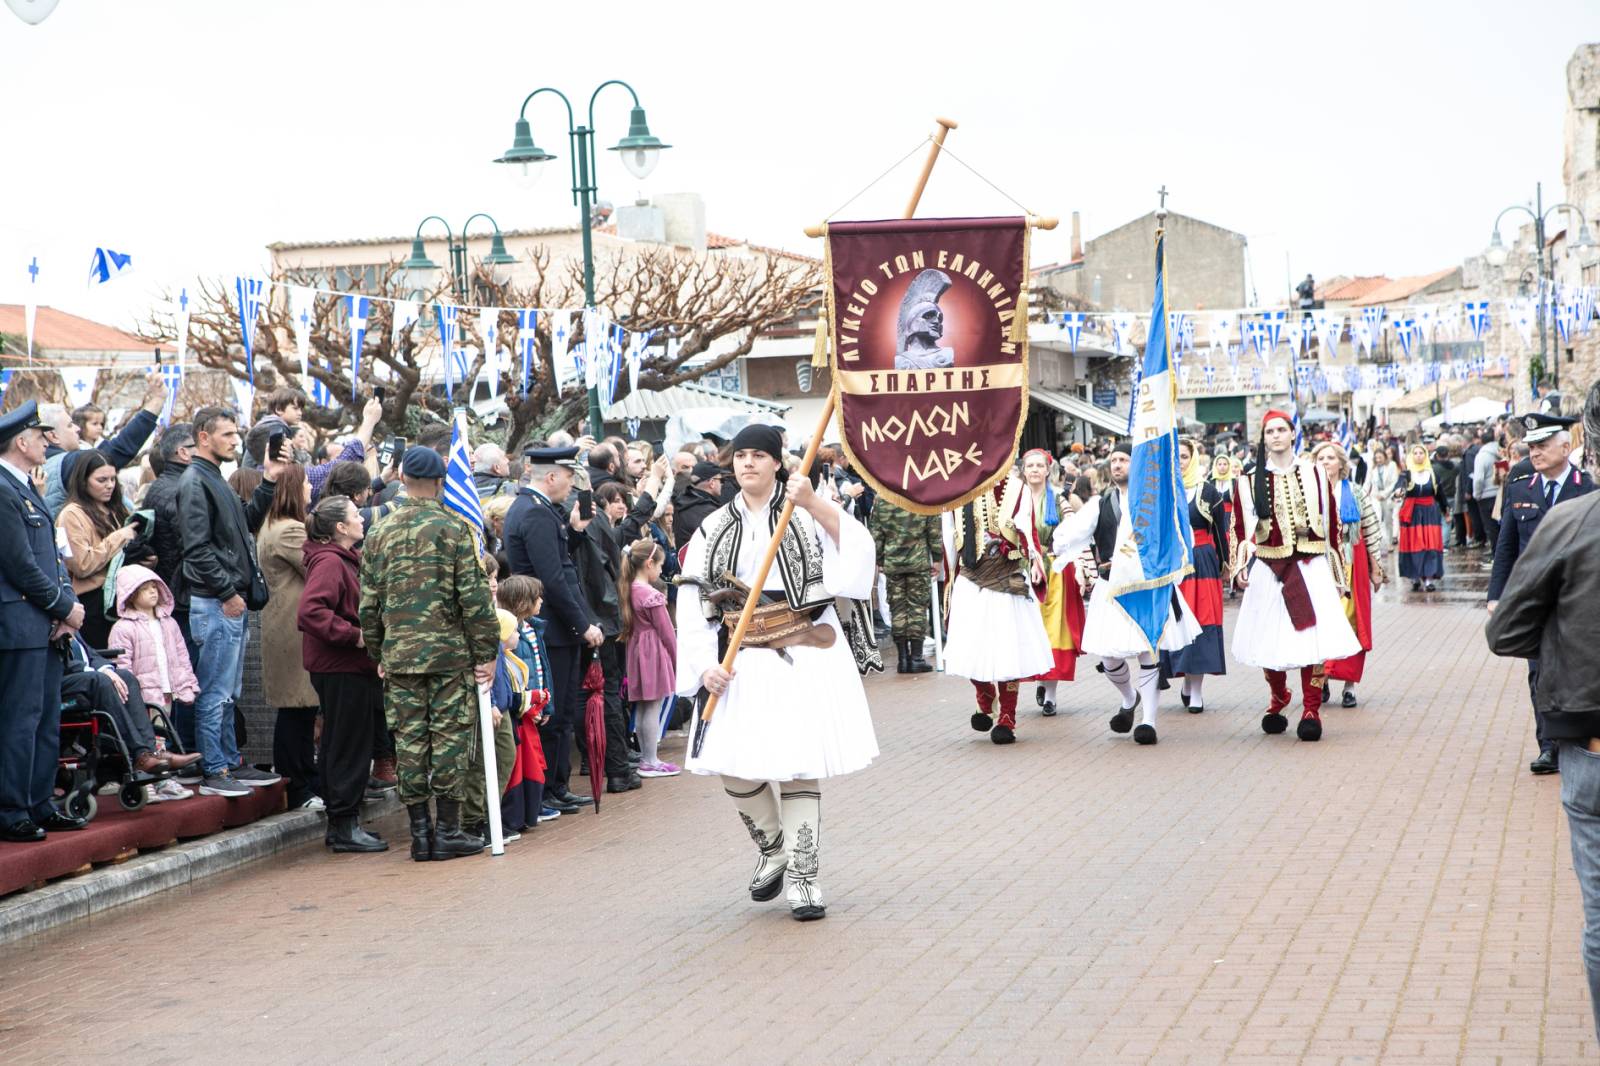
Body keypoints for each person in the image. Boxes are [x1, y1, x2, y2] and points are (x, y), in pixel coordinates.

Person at [676, 424, 881, 921]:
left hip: (804, 649)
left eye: (758, 456)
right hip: (742, 656)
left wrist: (814, 503)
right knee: (731, 761)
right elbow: (692, 599)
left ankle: (806, 879)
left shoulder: (805, 509)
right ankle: (774, 846)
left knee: (799, 764)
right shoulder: (713, 525)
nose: (747, 463)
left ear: (776, 462)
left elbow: (856, 557)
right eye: (740, 455)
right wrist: (704, 665)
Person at [1485, 380, 1600, 1042]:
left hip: (1590, 744)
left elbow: (1507, 634)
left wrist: (1558, 630)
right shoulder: (1541, 505)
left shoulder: (1570, 520)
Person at [360, 446, 500, 861]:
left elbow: (368, 604)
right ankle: (449, 830)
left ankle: (420, 832)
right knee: (449, 739)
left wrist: (378, 650)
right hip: (448, 656)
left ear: (402, 478)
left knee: (410, 742)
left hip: (400, 655)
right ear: (440, 482)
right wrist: (487, 652)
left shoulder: (378, 532)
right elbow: (474, 599)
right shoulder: (453, 528)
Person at [1052, 440, 1201, 745]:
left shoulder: (1156, 504)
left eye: (1124, 459)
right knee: (1109, 658)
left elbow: (1177, 537)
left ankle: (1148, 721)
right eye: (1114, 460)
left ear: (1137, 465)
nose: (1118, 464)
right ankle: (1128, 697)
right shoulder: (1100, 504)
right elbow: (1072, 535)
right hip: (1111, 588)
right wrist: (1060, 541)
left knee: (1148, 652)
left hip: (1147, 588)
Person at [1229, 411, 1361, 742]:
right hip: (1270, 568)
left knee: (1312, 642)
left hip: (1310, 564)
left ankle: (1311, 709)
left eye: (1281, 430)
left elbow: (1332, 524)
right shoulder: (1247, 482)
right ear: (1263, 438)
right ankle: (1279, 697)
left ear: (1292, 434)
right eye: (1269, 431)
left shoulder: (1316, 474)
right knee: (1269, 641)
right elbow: (1239, 530)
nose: (1275, 436)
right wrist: (1240, 565)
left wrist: (1336, 573)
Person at [178, 406, 284, 798]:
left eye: (235, 433)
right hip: (216, 603)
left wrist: (270, 480)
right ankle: (215, 768)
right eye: (226, 434)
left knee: (229, 691)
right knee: (215, 691)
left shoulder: (214, 478)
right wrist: (227, 592)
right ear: (203, 437)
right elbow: (197, 548)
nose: (235, 440)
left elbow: (246, 523)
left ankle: (228, 761)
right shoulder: (194, 482)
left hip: (227, 601)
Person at [1488, 411, 1596, 776]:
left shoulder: (1587, 488)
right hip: (1537, 601)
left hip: (1577, 598)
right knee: (1540, 673)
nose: (1535, 452)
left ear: (1566, 447)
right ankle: (1549, 746)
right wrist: (1496, 595)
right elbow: (1505, 548)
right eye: (1531, 446)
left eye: (1543, 445)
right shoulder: (1520, 489)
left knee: (1580, 666)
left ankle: (1580, 739)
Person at [0, 401, 88, 841]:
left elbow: (51, 557)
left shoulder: (24, 486)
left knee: (45, 717)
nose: (45, 441)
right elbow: (18, 564)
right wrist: (63, 606)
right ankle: (12, 808)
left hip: (45, 624)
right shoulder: (2, 488)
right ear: (21, 442)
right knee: (20, 718)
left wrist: (66, 609)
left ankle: (38, 802)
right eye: (39, 435)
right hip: (20, 625)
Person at [503, 447, 599, 816]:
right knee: (553, 715)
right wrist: (583, 624)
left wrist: (573, 532)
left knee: (556, 713)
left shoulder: (534, 510)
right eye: (569, 477)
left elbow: (557, 561)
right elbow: (554, 579)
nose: (572, 485)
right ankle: (550, 788)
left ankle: (554, 786)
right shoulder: (536, 514)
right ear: (552, 477)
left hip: (555, 624)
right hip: (556, 628)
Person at [297, 494, 387, 852]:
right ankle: (344, 824)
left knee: (347, 742)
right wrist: (355, 636)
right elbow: (311, 612)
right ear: (339, 527)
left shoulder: (341, 560)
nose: (362, 519)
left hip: (348, 666)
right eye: (355, 515)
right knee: (347, 745)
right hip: (342, 666)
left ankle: (345, 822)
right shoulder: (331, 563)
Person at [940, 471, 1053, 745]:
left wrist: (1034, 560)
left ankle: (1007, 718)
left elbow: (1028, 529)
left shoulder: (1016, 487)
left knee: (1008, 649)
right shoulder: (954, 488)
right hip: (971, 576)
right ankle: (984, 693)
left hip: (1008, 576)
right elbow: (948, 537)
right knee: (968, 645)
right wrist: (950, 582)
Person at [257, 463, 323, 810]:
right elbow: (317, 567)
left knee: (298, 710)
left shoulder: (272, 525)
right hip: (293, 628)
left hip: (283, 625)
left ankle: (303, 781)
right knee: (297, 711)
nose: (311, 491)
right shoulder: (290, 530)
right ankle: (299, 785)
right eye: (307, 487)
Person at [104, 565, 203, 787]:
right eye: (145, 589)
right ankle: (150, 782)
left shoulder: (169, 622)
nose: (153, 592)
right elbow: (121, 665)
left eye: (155, 587)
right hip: (142, 695)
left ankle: (162, 780)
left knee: (162, 734)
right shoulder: (123, 628)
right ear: (130, 594)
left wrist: (187, 684)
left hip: (167, 690)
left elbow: (181, 656)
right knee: (146, 736)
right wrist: (130, 694)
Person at [57, 449, 155, 649]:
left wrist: (146, 559)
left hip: (127, 597)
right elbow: (81, 565)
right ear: (83, 481)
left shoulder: (118, 508)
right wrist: (119, 537)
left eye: (113, 479)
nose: (110, 485)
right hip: (94, 606)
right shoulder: (71, 514)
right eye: (101, 480)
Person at [1313, 441, 1386, 707]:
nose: (1325, 462)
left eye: (1330, 458)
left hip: (1351, 564)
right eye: (1320, 458)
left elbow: (1370, 529)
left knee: (1351, 623)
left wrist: (1376, 568)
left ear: (1341, 464)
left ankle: (1349, 684)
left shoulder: (1353, 491)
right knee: (1320, 624)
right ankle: (1319, 680)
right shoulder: (1309, 493)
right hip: (1320, 565)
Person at [1159, 438, 1228, 713]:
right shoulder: (1163, 492)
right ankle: (1185, 679)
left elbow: (1220, 534)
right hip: (1174, 565)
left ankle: (1195, 689)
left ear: (1193, 459)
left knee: (1202, 623)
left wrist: (1224, 565)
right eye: (1176, 458)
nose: (1180, 462)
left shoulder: (1209, 492)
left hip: (1202, 563)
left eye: (1184, 457)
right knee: (1176, 624)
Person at [42, 373, 166, 517]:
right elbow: (117, 450)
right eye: (70, 426)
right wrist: (158, 400)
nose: (77, 429)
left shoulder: (52, 461)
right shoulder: (63, 464)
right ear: (52, 435)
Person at [1017, 448, 1083, 713]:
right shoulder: (1014, 500)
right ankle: (1039, 678)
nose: (1034, 470)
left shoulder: (1058, 499)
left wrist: (1078, 567)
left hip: (1054, 570)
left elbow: (1074, 533)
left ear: (1047, 470)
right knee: (1029, 627)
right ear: (1023, 470)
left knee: (1053, 629)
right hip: (1022, 570)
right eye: (1030, 465)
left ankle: (1050, 694)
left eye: (1039, 466)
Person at [619, 538, 679, 777]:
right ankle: (651, 760)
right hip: (652, 650)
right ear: (649, 564)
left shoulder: (629, 588)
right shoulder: (650, 594)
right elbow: (666, 632)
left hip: (636, 649)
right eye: (660, 565)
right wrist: (677, 659)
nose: (662, 570)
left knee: (644, 706)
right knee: (653, 706)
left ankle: (646, 757)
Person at [495, 575, 550, 831]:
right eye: (535, 597)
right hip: (519, 711)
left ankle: (530, 809)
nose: (540, 601)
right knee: (515, 764)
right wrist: (530, 702)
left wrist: (543, 704)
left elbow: (540, 668)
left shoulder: (533, 628)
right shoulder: (511, 635)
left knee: (531, 763)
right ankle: (509, 818)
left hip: (529, 710)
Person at [867, 498, 940, 676]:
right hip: (918, 562)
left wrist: (880, 559)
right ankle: (916, 658)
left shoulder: (881, 498)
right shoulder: (921, 494)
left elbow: (875, 533)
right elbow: (934, 530)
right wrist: (937, 558)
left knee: (897, 609)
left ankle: (903, 659)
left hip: (893, 563)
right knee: (917, 609)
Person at [142, 423, 196, 653]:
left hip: (176, 588)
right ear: (183, 452)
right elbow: (192, 544)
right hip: (183, 593)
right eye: (199, 446)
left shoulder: (169, 484)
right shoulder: (179, 489)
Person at [1395, 442, 1445, 592]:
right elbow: (1400, 487)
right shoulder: (1407, 473)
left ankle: (1429, 579)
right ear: (1411, 456)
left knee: (1430, 545)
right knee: (1414, 545)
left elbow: (1439, 493)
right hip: (1413, 514)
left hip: (1430, 513)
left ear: (1426, 455)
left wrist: (1446, 510)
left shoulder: (1433, 473)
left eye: (1421, 453)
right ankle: (1415, 577)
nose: (1418, 456)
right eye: (1415, 453)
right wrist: (1399, 491)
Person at [673, 461, 724, 545]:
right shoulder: (707, 510)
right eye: (721, 480)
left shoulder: (684, 501)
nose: (722, 484)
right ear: (712, 483)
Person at [1364, 445, 1399, 545]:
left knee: (1388, 521)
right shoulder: (1372, 467)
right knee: (1377, 520)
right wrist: (1364, 494)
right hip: (1375, 497)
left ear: (1385, 456)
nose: (1378, 460)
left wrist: (1384, 494)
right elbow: (1368, 482)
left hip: (1388, 497)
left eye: (1380, 457)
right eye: (1376, 458)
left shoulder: (1392, 465)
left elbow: (1394, 482)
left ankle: (1389, 543)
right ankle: (1377, 544)